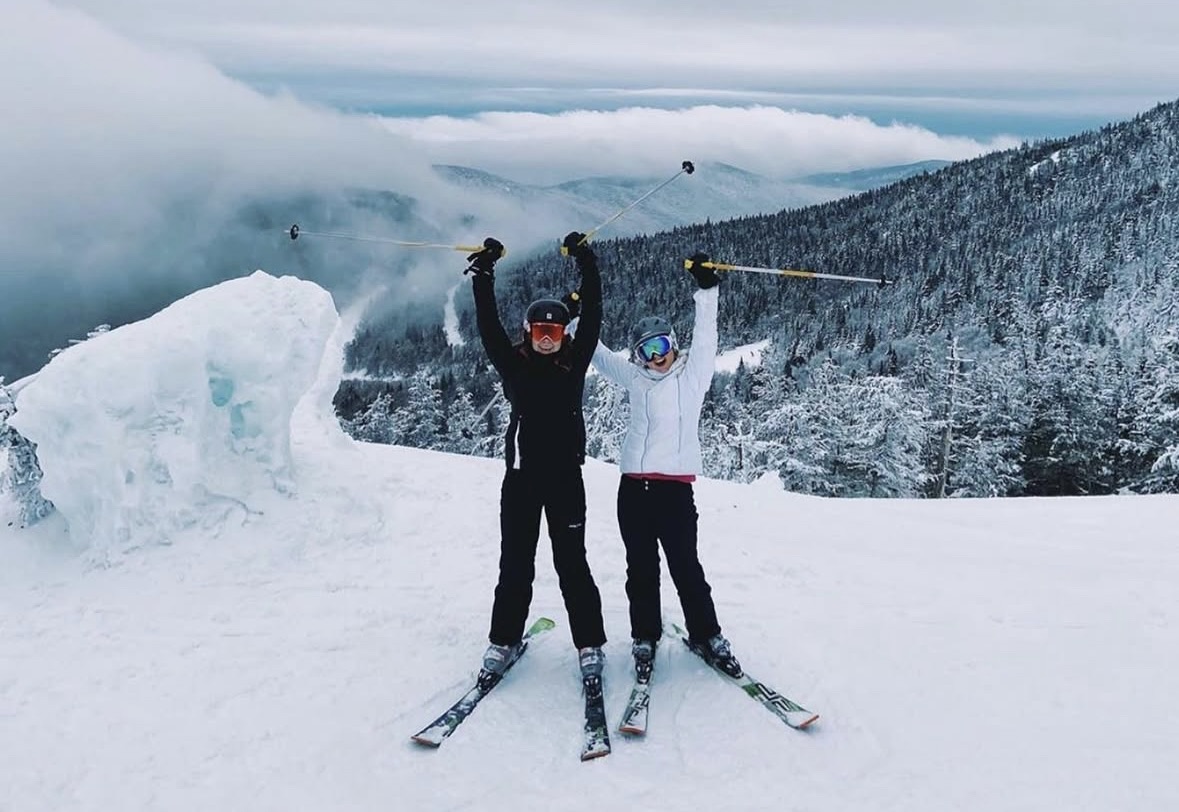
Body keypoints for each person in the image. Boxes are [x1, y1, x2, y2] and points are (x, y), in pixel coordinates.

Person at [590, 251, 743, 680]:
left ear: (673, 345)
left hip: (674, 491)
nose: (655, 358)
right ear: (636, 358)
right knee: (640, 568)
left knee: (685, 566)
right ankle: (645, 636)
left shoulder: (692, 378)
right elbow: (597, 356)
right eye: (645, 352)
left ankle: (707, 634)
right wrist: (572, 319)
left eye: (661, 347)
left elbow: (707, 336)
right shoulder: (635, 379)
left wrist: (706, 290)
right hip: (632, 491)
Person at [465, 232, 607, 686]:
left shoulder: (575, 363)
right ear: (528, 332)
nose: (548, 339)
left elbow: (596, 312)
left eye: (556, 331)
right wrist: (483, 275)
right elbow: (487, 326)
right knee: (516, 563)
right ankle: (503, 640)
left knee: (572, 565)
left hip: (566, 481)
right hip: (522, 482)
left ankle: (589, 645)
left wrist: (586, 260)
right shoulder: (514, 365)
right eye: (540, 331)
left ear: (565, 334)